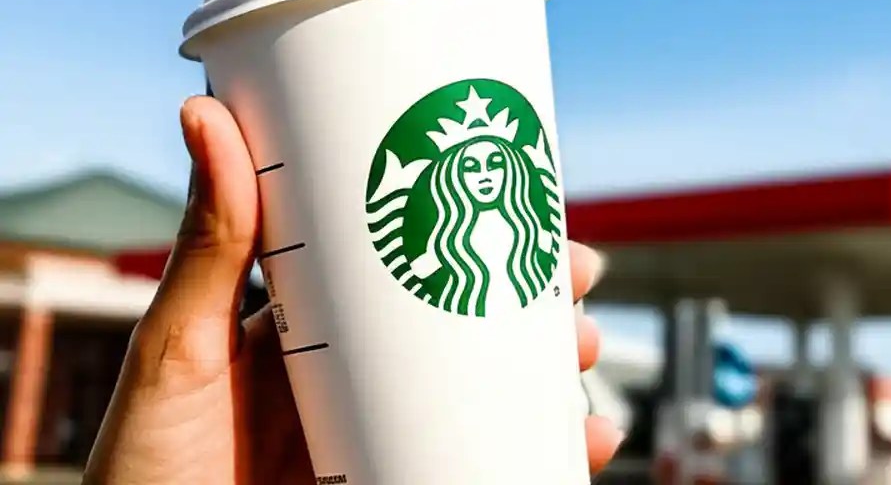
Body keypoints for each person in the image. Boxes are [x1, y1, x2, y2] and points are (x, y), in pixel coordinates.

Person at [83, 96, 622, 483]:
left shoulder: (523, 239)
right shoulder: (439, 249)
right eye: (471, 163)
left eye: (495, 162)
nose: (484, 174)